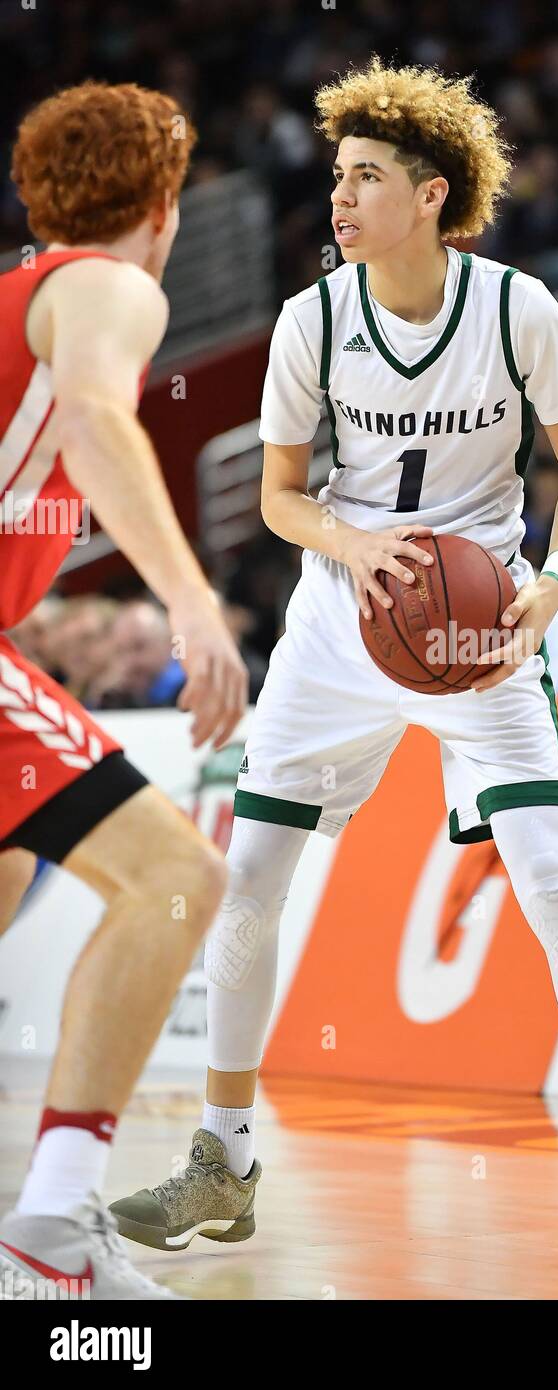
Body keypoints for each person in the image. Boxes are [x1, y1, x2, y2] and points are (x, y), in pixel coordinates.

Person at [110, 57, 558, 1265]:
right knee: (248, 879)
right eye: (335, 176)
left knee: (547, 879)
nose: (340, 196)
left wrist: (553, 580)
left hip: (478, 625)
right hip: (337, 619)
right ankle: (225, 1156)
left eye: (366, 177)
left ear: (431, 195)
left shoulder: (519, 306)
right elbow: (273, 498)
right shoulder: (312, 319)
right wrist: (351, 538)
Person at [0, 81, 248, 1301]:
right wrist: (194, 602)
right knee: (178, 875)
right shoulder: (105, 285)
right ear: (165, 204)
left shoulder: (17, 295)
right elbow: (99, 418)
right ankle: (50, 1230)